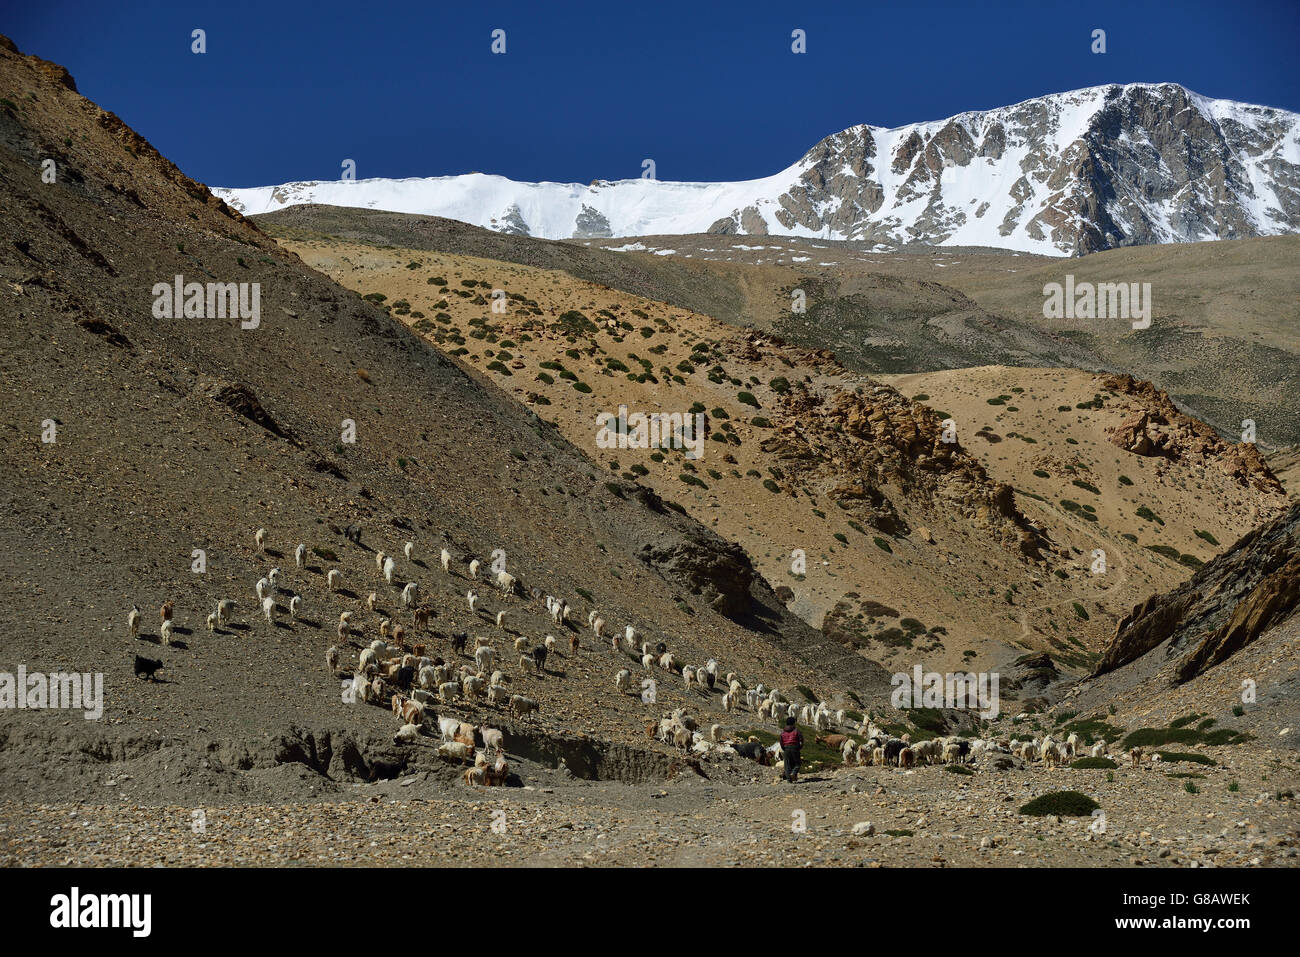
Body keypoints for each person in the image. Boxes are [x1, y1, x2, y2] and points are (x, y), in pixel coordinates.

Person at [779, 717, 803, 782]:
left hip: (786, 748)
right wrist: (799, 748)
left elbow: (781, 743)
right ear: (793, 723)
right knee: (798, 763)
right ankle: (793, 773)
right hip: (795, 748)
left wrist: (784, 749)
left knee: (787, 765)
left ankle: (789, 780)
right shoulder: (796, 731)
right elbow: (801, 741)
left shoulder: (783, 733)